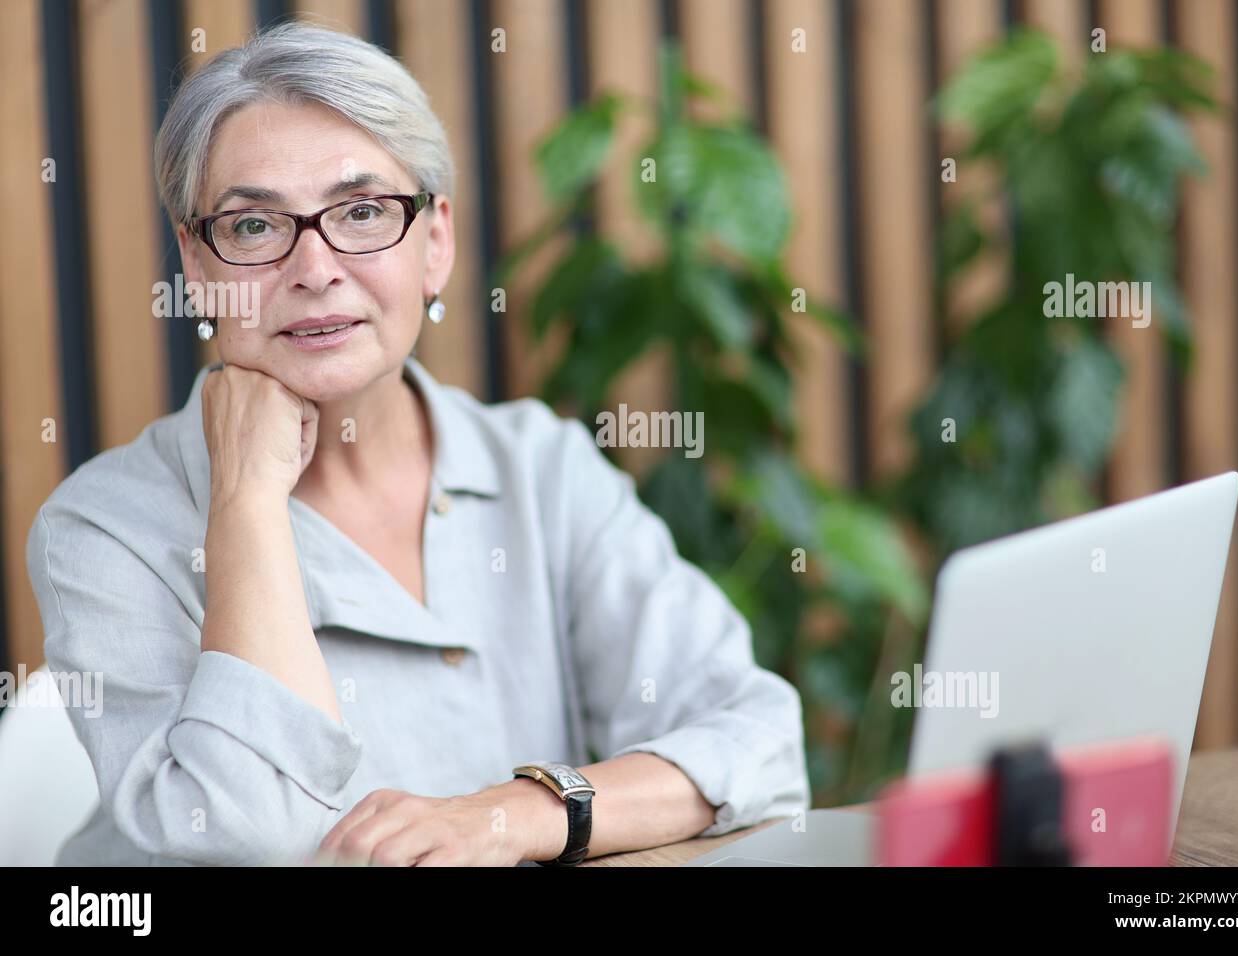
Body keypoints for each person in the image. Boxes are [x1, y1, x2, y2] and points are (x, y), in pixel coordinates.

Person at [26, 21, 809, 867]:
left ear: (435, 243)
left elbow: (760, 742)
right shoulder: (103, 529)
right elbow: (249, 834)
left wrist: (512, 814)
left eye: (362, 212)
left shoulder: (539, 468)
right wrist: (246, 504)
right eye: (253, 227)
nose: (315, 267)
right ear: (196, 262)